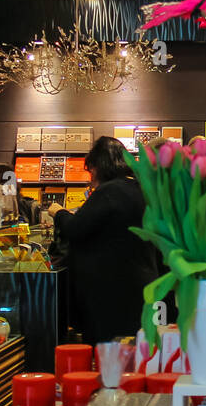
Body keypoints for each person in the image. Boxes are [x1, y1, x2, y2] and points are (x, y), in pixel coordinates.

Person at [47, 136, 157, 343]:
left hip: (111, 292)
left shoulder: (110, 191)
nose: (90, 177)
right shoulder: (139, 189)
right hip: (136, 283)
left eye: (90, 170)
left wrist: (59, 212)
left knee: (109, 353)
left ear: (99, 166)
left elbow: (76, 228)